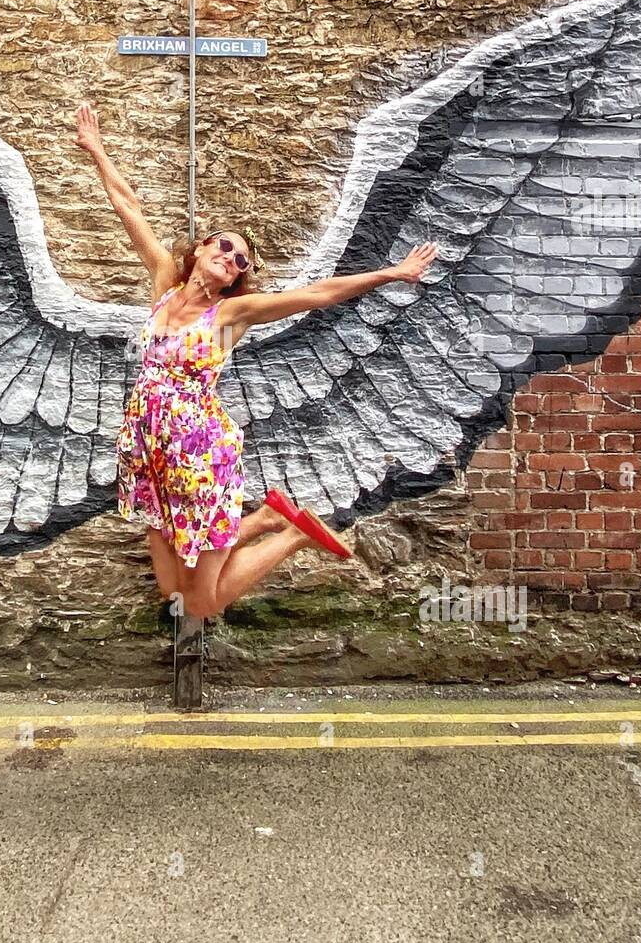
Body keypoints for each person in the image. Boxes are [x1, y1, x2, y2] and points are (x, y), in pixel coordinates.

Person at [74, 101, 438, 625]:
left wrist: (390, 274)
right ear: (200, 250)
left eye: (241, 260)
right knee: (171, 595)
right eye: (225, 246)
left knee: (197, 608)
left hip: (199, 453)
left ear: (237, 277)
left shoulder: (232, 314)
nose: (231, 258)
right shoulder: (163, 285)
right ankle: (267, 517)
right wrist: (97, 149)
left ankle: (291, 533)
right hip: (149, 450)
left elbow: (318, 294)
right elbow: (128, 207)